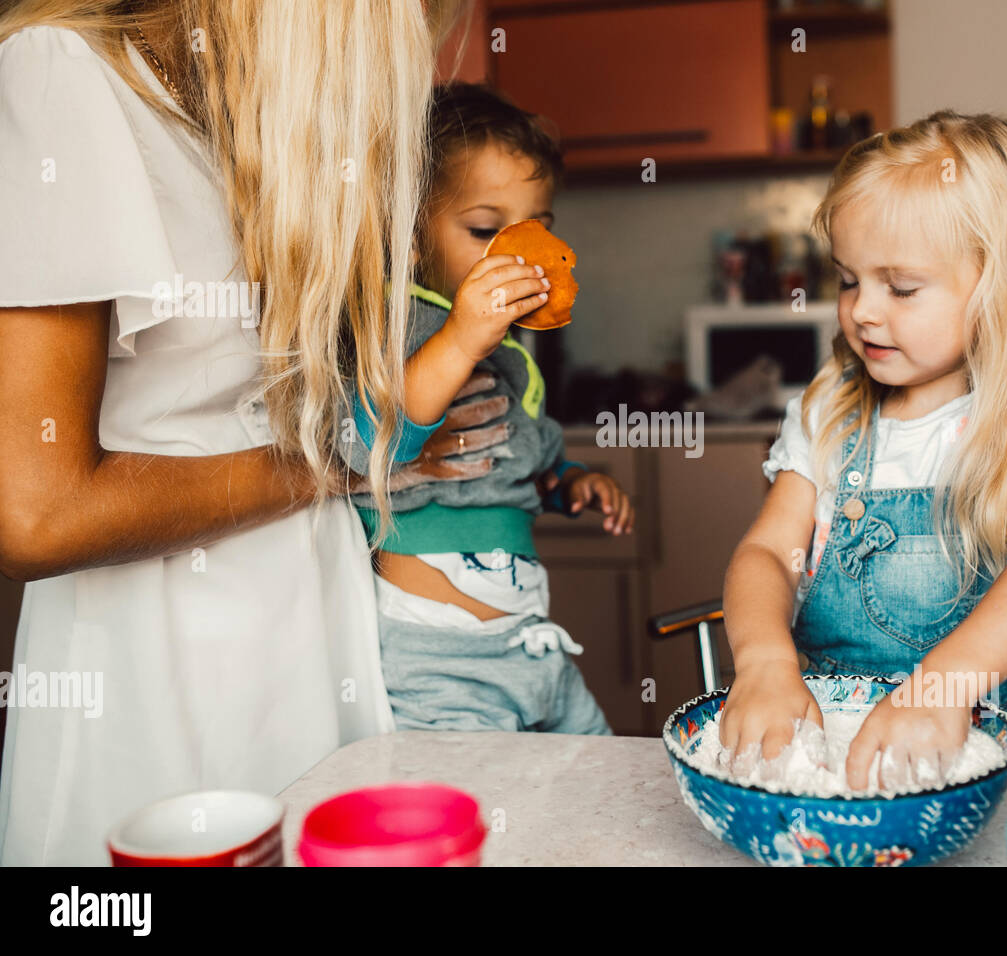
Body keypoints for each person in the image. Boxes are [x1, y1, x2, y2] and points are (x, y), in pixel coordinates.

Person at [0, 0, 469, 864]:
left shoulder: (236, 111)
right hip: (157, 653)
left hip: (312, 612)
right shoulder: (62, 74)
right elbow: (37, 513)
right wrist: (335, 469)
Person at [719, 111, 1007, 792]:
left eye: (901, 287)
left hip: (997, 744)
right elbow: (767, 553)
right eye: (849, 280)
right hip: (841, 739)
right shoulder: (828, 412)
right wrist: (764, 661)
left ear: (1001, 289)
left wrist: (940, 689)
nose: (863, 312)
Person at [340, 83, 633, 735]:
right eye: (484, 230)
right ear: (410, 239)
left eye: (535, 232)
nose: (517, 255)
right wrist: (461, 338)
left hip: (532, 644)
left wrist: (573, 483)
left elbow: (527, 461)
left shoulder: (511, 360)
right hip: (440, 659)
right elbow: (377, 439)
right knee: (475, 813)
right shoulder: (397, 326)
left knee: (595, 782)